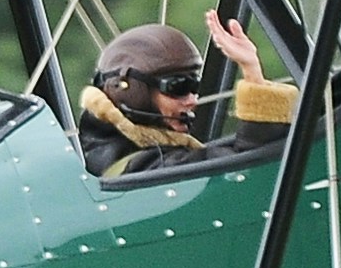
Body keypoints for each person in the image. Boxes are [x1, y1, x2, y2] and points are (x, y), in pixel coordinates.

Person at [78, 13, 297, 180]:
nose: (192, 99)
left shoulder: (121, 152)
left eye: (195, 86)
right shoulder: (143, 168)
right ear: (132, 93)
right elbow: (249, 166)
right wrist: (251, 71)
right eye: (178, 87)